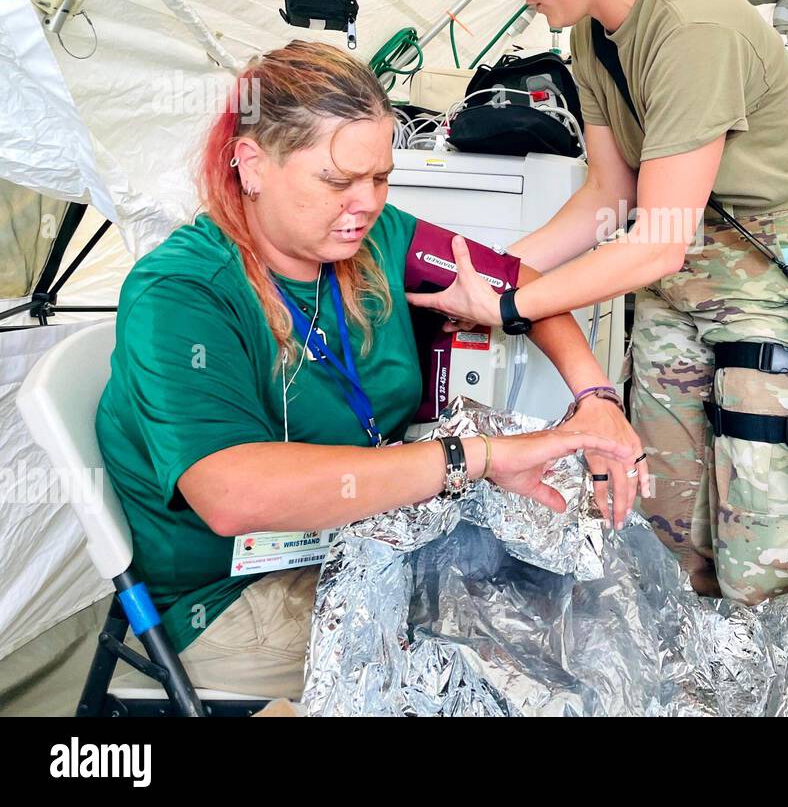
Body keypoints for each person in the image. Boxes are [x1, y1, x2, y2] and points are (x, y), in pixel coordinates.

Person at [96, 41, 640, 702]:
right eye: (338, 180)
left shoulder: (373, 242)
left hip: (358, 536)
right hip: (234, 594)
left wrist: (595, 394)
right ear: (251, 164)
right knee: (511, 657)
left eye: (380, 177)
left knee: (577, 601)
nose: (367, 202)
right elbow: (233, 494)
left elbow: (520, 282)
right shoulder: (181, 292)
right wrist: (474, 457)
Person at [430, 0, 788, 604]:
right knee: (660, 522)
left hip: (768, 294)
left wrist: (513, 303)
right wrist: (493, 266)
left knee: (764, 555)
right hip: (679, 292)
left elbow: (654, 237)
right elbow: (608, 198)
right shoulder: (593, 37)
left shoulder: (691, 27)